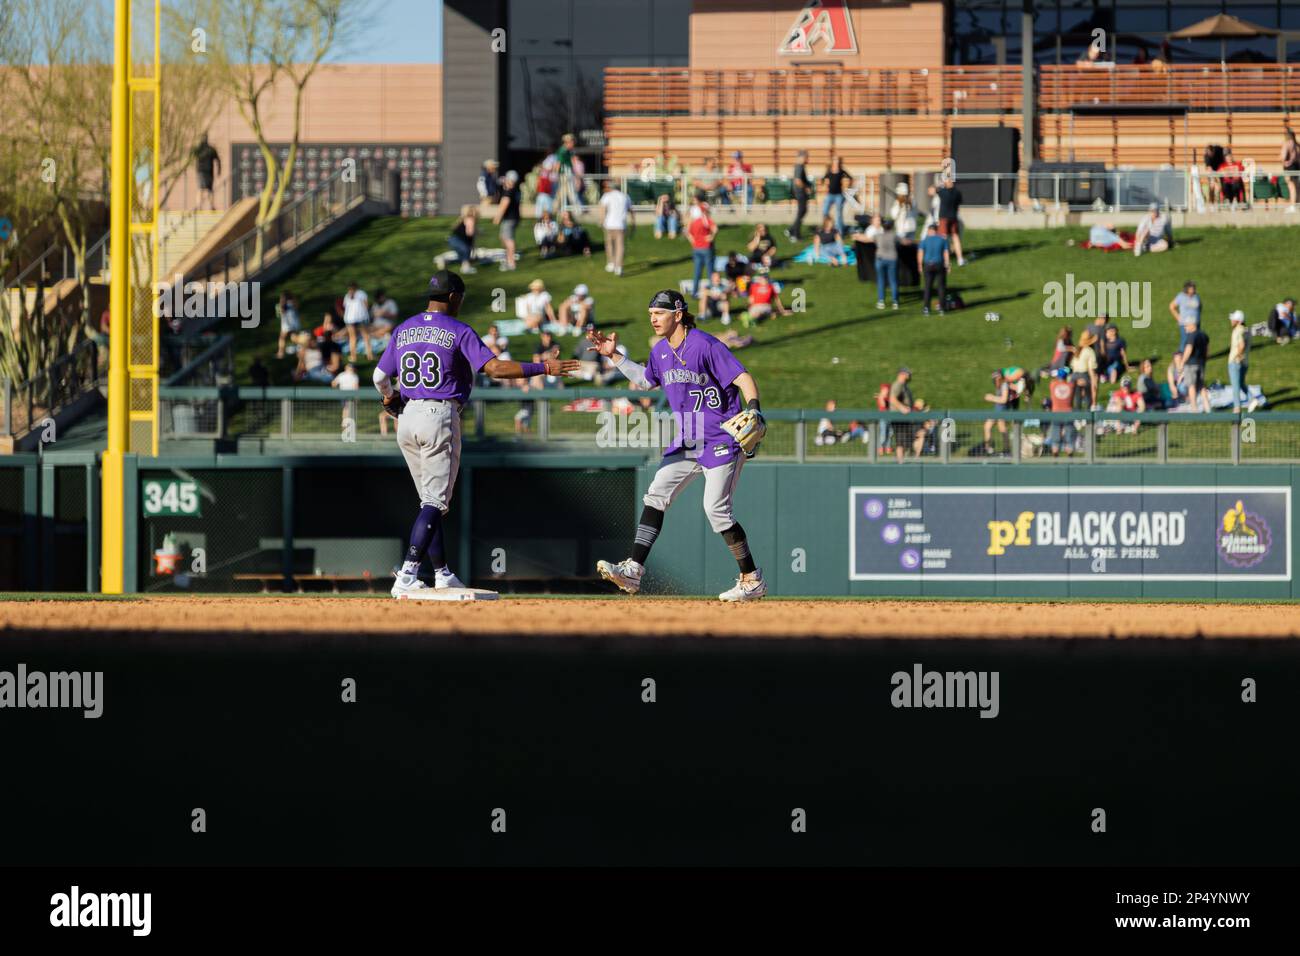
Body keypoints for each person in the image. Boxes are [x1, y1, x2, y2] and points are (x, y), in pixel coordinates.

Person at [376, 270, 580, 600]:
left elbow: (378, 375)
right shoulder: (457, 328)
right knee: (434, 501)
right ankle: (409, 573)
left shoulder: (405, 328)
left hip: (408, 416)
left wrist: (389, 399)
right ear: (454, 297)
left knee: (429, 501)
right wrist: (543, 367)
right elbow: (496, 369)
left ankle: (441, 574)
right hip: (438, 414)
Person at [588, 289, 769, 602]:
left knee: (716, 511)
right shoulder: (660, 352)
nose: (653, 319)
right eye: (651, 315)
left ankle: (751, 579)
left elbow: (743, 378)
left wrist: (753, 408)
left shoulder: (704, 344)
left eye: (658, 313)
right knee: (656, 494)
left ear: (678, 313)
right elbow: (646, 381)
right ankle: (633, 571)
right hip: (688, 439)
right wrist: (614, 355)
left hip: (720, 438)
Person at [599, 178, 633, 276]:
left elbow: (602, 209)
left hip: (609, 224)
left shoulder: (607, 196)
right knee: (620, 246)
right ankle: (619, 266)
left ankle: (611, 263)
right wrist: (633, 223)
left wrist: (601, 221)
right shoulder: (625, 196)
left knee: (609, 244)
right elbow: (631, 210)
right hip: (621, 225)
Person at [982, 369, 1019, 456]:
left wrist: (991, 398)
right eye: (995, 380)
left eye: (997, 379)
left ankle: (1006, 450)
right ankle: (989, 449)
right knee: (988, 426)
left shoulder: (1004, 385)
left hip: (1002, 410)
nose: (996, 381)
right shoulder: (1003, 384)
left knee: (1002, 428)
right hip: (998, 410)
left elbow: (1004, 399)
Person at [932, 175, 966, 266]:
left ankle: (945, 261)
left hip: (943, 218)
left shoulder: (942, 192)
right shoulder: (958, 193)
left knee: (942, 239)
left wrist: (939, 185)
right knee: (955, 237)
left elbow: (931, 191)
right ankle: (960, 259)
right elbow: (959, 204)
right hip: (954, 217)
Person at [866, 213, 899, 309]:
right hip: (892, 259)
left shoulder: (877, 235)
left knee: (881, 281)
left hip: (880, 259)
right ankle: (895, 302)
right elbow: (904, 241)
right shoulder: (894, 236)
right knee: (893, 281)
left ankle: (881, 302)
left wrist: (858, 236)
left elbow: (868, 240)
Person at [686, 200, 718, 297]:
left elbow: (688, 232)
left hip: (696, 248)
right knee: (710, 271)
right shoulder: (706, 220)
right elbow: (715, 229)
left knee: (697, 271)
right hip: (706, 248)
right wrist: (712, 237)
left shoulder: (695, 221)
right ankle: (713, 290)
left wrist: (693, 242)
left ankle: (694, 292)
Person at [887, 367, 919, 463]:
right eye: (908, 373)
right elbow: (892, 398)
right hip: (899, 418)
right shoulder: (898, 384)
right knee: (901, 442)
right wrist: (902, 408)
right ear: (902, 374)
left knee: (907, 440)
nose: (910, 375)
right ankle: (900, 463)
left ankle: (903, 460)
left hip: (905, 418)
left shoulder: (904, 385)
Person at [1227, 309, 1256, 414]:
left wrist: (1237, 356)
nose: (1231, 320)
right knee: (1241, 384)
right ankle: (1252, 400)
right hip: (1245, 362)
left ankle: (1237, 409)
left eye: (1233, 319)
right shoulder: (1247, 330)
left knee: (1235, 386)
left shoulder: (1238, 330)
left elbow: (1242, 345)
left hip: (1236, 362)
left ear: (1238, 320)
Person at [918, 222, 949, 315]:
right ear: (936, 230)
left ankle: (926, 309)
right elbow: (946, 253)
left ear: (929, 230)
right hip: (939, 264)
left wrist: (919, 265)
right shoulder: (942, 240)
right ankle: (942, 309)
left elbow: (920, 253)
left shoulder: (924, 240)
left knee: (928, 287)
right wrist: (947, 264)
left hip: (928, 265)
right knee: (941, 287)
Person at [1180, 318, 1211, 413]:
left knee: (1191, 386)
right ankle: (1208, 408)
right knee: (1201, 386)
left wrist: (1182, 362)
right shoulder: (1203, 335)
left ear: (1192, 324)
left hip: (1191, 364)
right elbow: (1207, 350)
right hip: (1201, 364)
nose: (1185, 327)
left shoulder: (1191, 335)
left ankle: (1194, 409)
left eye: (1186, 325)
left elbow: (1189, 349)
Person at [1044, 367, 1077, 457]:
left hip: (1056, 413)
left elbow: (1053, 378)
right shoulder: (1071, 386)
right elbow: (1072, 379)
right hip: (1068, 413)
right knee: (1069, 436)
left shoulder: (1053, 385)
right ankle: (1070, 456)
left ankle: (1055, 456)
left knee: (1055, 436)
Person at [493, 169, 522, 271]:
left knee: (509, 239)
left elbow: (504, 204)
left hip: (509, 219)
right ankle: (508, 259)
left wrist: (498, 217)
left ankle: (511, 263)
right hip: (514, 218)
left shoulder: (509, 192)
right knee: (503, 237)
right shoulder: (516, 190)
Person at [342, 281, 373, 362]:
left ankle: (353, 356)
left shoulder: (347, 296)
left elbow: (345, 307)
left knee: (352, 337)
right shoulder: (361, 293)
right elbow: (366, 305)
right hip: (361, 317)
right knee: (365, 336)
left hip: (349, 319)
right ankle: (370, 355)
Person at [820, 156, 852, 236]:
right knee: (825, 211)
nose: (836, 162)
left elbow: (850, 178)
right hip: (830, 195)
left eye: (837, 160)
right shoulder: (829, 170)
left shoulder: (841, 171)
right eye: (835, 160)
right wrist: (825, 186)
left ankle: (839, 232)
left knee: (838, 214)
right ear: (833, 162)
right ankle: (826, 229)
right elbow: (823, 179)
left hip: (839, 195)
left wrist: (848, 187)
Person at [192, 133, 221, 211]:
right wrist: (219, 170)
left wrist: (219, 170)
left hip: (201, 171)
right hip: (208, 171)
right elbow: (218, 160)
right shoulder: (210, 149)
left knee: (201, 188)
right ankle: (210, 206)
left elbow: (192, 155)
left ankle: (200, 206)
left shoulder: (199, 149)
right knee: (209, 189)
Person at [1072, 329, 1100, 409]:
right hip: (1084, 375)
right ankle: (1088, 417)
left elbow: (1073, 367)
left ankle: (1077, 417)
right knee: (1088, 397)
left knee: (1077, 398)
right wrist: (1093, 382)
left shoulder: (1077, 351)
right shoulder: (1090, 351)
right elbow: (1091, 370)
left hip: (1074, 376)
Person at [1169, 281, 1201, 348]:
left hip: (1195, 324)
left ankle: (1194, 356)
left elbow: (1200, 307)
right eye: (1191, 289)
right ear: (1186, 289)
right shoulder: (1181, 296)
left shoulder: (1196, 296)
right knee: (1185, 341)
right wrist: (1179, 318)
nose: (1192, 290)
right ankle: (1181, 355)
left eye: (1193, 289)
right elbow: (1172, 306)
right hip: (1185, 324)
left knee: (1196, 340)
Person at [448, 205, 479, 274]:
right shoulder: (470, 219)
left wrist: (473, 251)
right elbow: (470, 233)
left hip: (452, 240)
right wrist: (477, 232)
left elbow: (470, 239)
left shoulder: (463, 219)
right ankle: (465, 268)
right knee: (466, 250)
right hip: (457, 240)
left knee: (462, 256)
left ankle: (447, 261)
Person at [789, 149, 811, 240]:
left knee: (803, 211)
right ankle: (795, 234)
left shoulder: (801, 166)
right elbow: (798, 181)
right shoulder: (799, 166)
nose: (807, 159)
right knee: (801, 212)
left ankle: (791, 230)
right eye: (806, 157)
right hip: (800, 192)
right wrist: (806, 188)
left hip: (801, 192)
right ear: (802, 157)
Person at [275, 290, 300, 359]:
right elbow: (297, 307)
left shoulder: (281, 304)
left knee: (282, 337)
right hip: (295, 321)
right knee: (294, 336)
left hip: (287, 322)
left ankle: (281, 352)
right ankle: (298, 351)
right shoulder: (293, 303)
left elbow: (280, 313)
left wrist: (281, 303)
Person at [1281, 128, 1300, 212]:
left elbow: (1283, 156)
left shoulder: (1287, 143)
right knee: (1296, 186)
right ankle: (1296, 203)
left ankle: (1293, 205)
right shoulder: (1296, 144)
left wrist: (1283, 161)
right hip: (1296, 166)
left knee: (1291, 186)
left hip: (1289, 166)